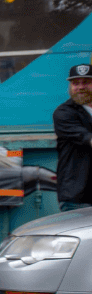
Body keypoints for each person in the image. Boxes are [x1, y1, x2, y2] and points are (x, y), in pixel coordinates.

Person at [53, 62, 92, 211]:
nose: (81, 87)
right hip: (77, 199)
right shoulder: (64, 113)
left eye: (86, 82)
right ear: (70, 87)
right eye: (76, 83)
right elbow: (87, 138)